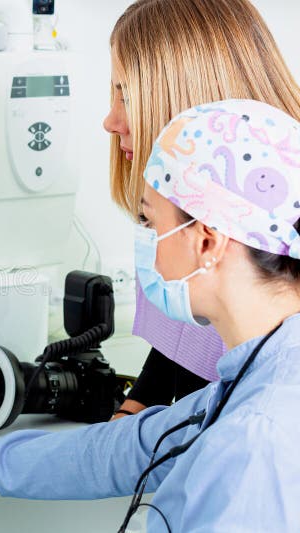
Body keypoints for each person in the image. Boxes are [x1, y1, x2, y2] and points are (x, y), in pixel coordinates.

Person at [0, 98, 300, 531]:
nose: (147, 247)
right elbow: (132, 448)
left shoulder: (255, 440)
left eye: (150, 224)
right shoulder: (263, 371)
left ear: (207, 242)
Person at [101, 0, 300, 419]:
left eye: (127, 96)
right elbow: (193, 334)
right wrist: (141, 401)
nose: (111, 120)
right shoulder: (183, 217)